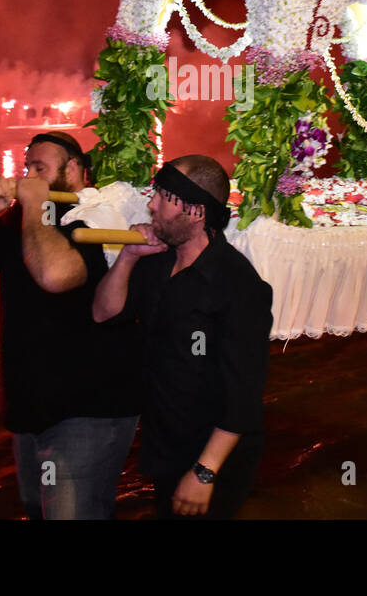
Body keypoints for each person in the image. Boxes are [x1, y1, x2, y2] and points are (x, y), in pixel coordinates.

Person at [0, 131, 141, 519]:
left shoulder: (94, 217)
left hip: (88, 406)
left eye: (39, 168)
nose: (28, 176)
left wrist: (33, 205)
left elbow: (54, 276)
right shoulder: (20, 221)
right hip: (31, 403)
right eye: (26, 167)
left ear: (75, 170)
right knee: (37, 509)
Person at [92, 155, 273, 519]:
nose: (151, 204)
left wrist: (204, 472)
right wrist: (127, 258)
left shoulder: (239, 287)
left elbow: (245, 396)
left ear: (195, 211)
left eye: (162, 197)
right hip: (165, 439)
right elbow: (103, 313)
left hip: (214, 455)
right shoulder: (156, 262)